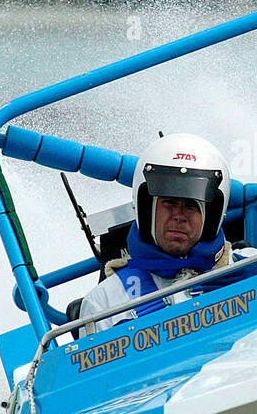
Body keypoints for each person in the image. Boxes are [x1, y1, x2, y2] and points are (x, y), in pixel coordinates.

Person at [77, 133, 235, 335]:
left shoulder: (251, 267)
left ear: (211, 215)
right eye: (169, 202)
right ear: (146, 209)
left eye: (191, 205)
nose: (179, 216)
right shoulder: (104, 303)